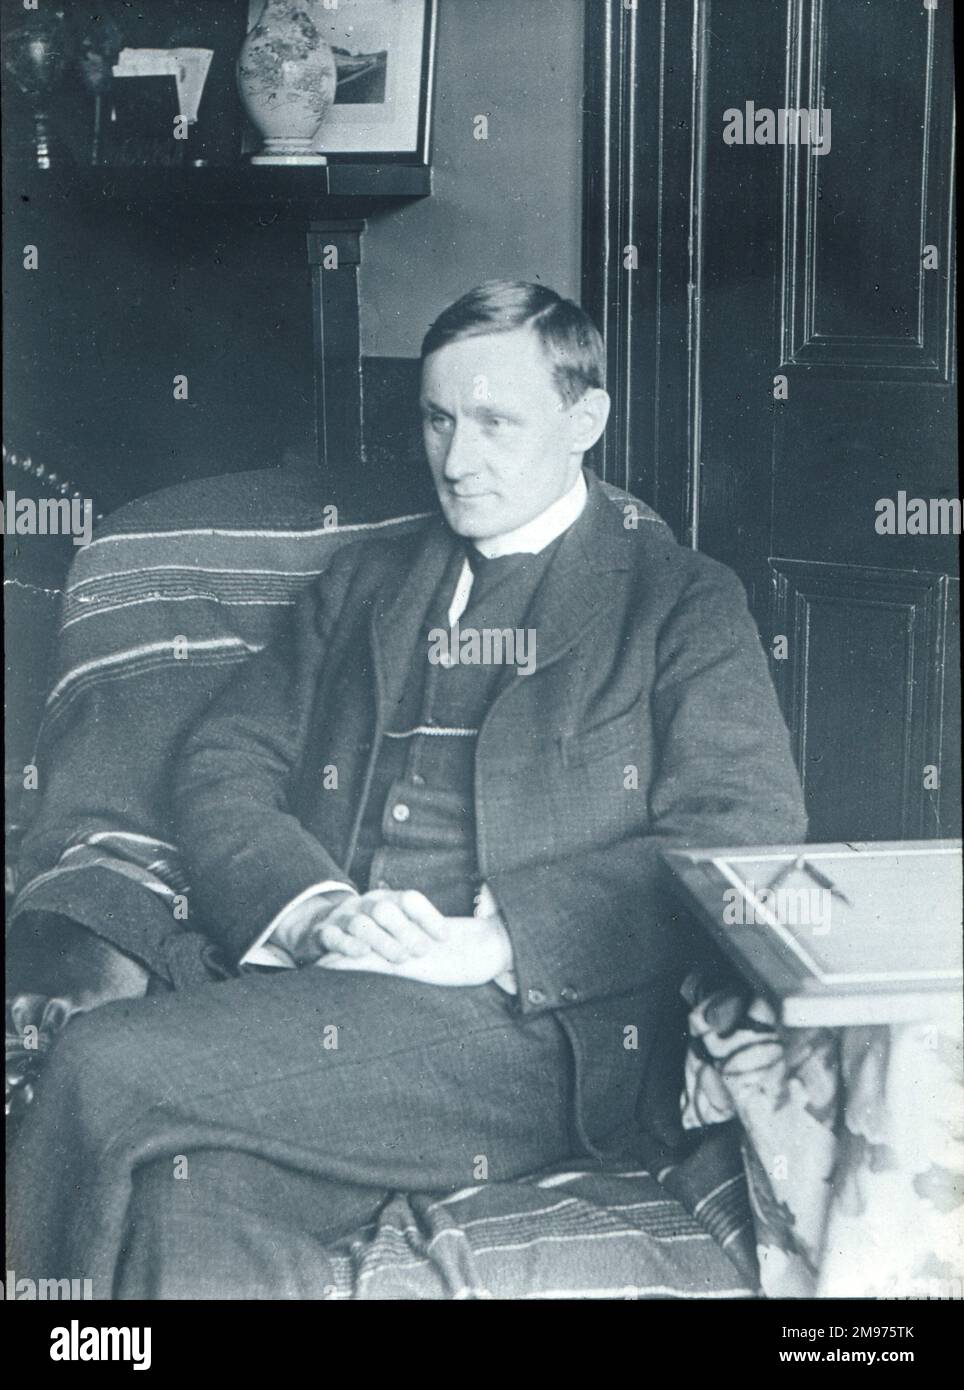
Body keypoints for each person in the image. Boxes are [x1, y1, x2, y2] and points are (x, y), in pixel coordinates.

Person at [6, 281, 807, 1298]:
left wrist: (500, 937)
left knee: (100, 1067)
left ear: (584, 419)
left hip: (537, 1032)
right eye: (437, 419)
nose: (456, 459)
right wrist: (310, 911)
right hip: (326, 996)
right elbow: (220, 762)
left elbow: (741, 836)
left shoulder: (682, 599)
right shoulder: (366, 582)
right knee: (189, 1193)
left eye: (494, 422)